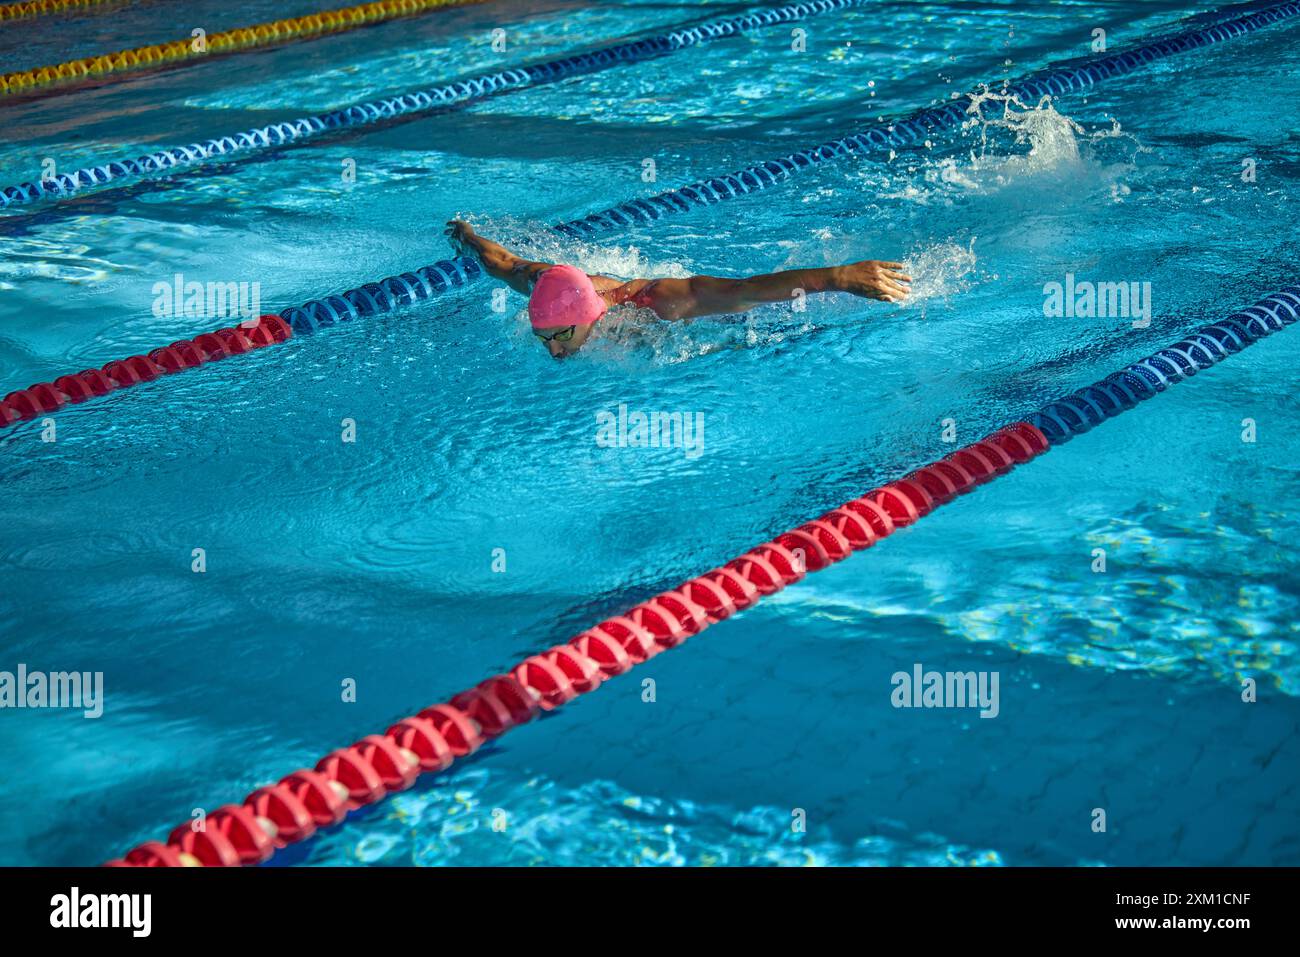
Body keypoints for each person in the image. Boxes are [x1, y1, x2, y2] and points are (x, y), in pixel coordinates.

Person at [445, 220, 911, 358]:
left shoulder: (660, 303)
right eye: (544, 339)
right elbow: (500, 260)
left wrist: (839, 278)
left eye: (561, 337)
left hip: (735, 315)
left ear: (588, 317)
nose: (553, 351)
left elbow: (743, 291)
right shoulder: (544, 287)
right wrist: (464, 234)